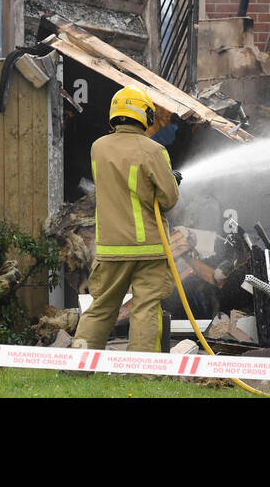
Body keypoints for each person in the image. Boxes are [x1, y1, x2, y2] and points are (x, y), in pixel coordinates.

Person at [71, 86, 181, 352]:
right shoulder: (154, 151)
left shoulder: (99, 148)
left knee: (100, 308)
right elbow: (168, 199)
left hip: (110, 247)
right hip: (149, 249)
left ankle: (79, 363)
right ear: (146, 115)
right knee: (146, 308)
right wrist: (172, 180)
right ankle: (142, 372)